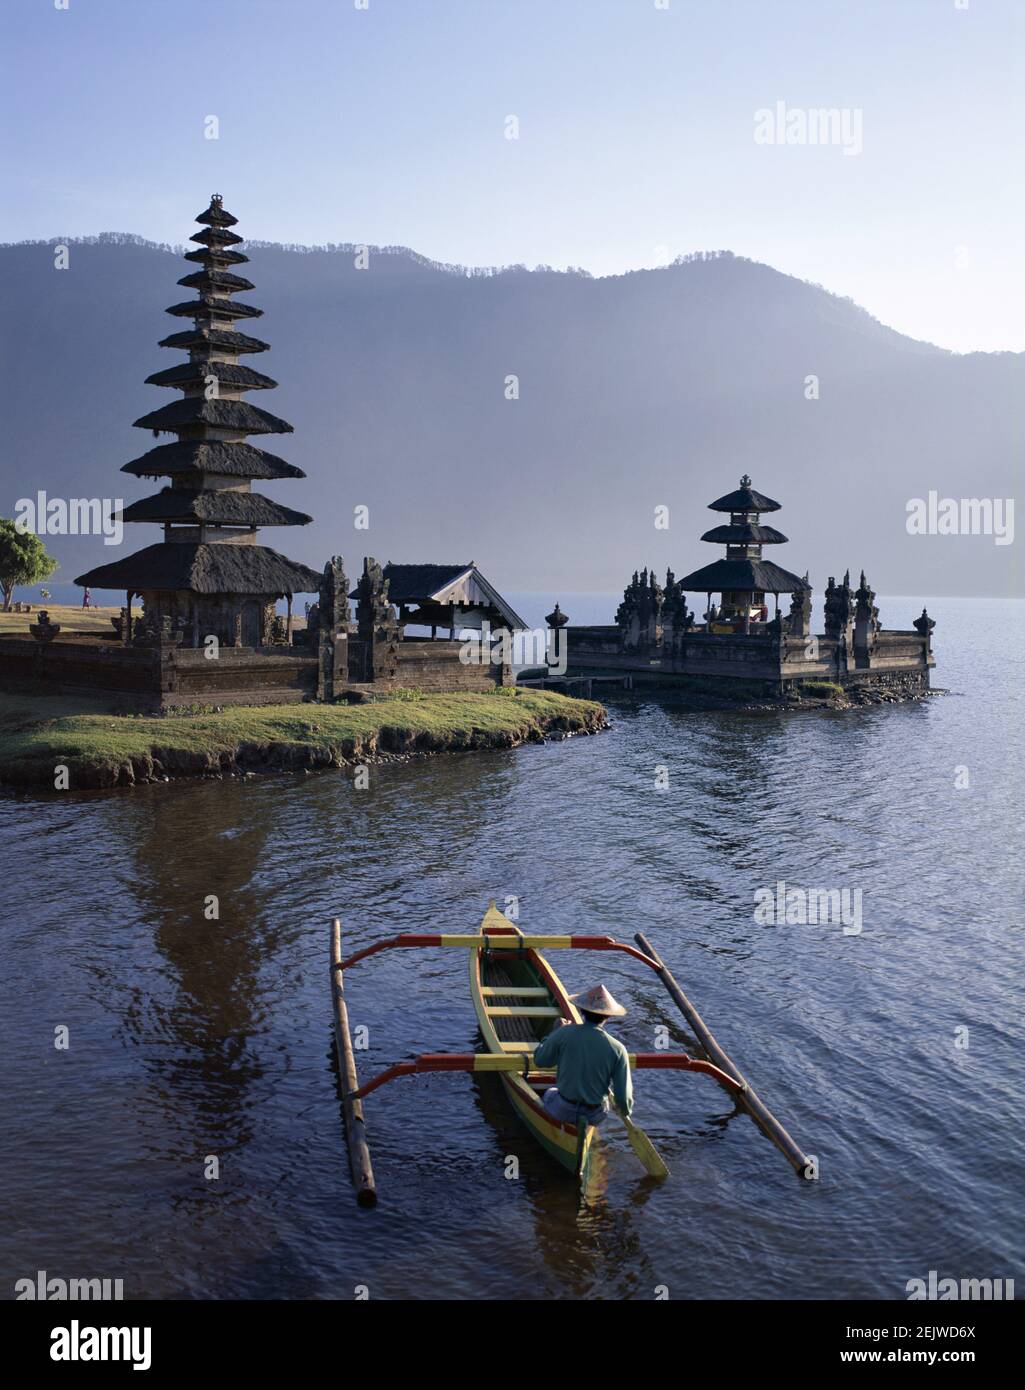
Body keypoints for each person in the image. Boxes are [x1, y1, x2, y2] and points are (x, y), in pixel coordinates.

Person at [533, 984, 632, 1127]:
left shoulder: (563, 1033)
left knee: (550, 1093)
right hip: (595, 1114)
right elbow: (623, 1098)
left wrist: (553, 1033)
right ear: (608, 1016)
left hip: (563, 1109)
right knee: (602, 1104)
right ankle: (583, 1132)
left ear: (581, 1011)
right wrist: (624, 1111)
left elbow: (541, 1060)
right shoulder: (618, 1049)